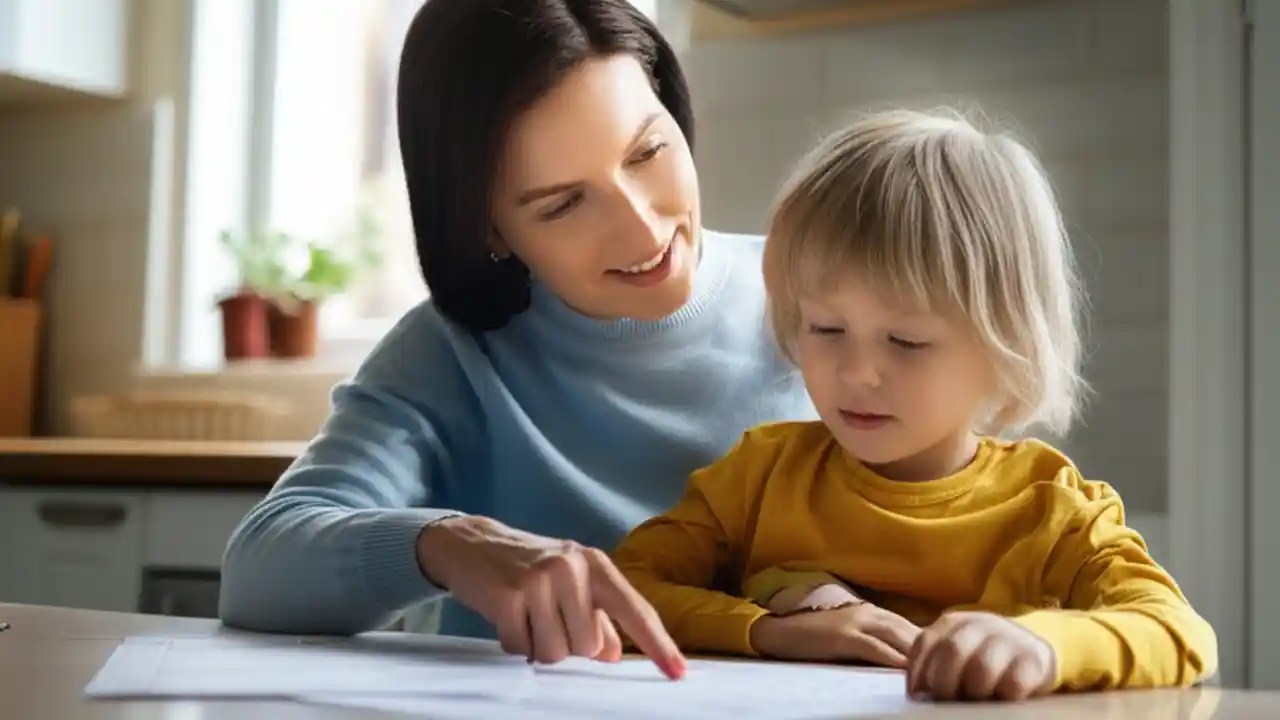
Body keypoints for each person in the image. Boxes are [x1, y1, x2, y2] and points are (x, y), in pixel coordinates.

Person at [217, 0, 815, 680]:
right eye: (563, 204)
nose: (644, 232)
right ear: (489, 230)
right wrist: (448, 543)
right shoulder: (452, 355)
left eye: (648, 151)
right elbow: (259, 565)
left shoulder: (826, 296)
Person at [613, 109, 1218, 700]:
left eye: (906, 342)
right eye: (826, 329)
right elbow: (626, 589)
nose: (858, 372)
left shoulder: (1049, 508)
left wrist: (1041, 645)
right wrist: (770, 631)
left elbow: (1180, 631)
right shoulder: (759, 476)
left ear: (1007, 347)